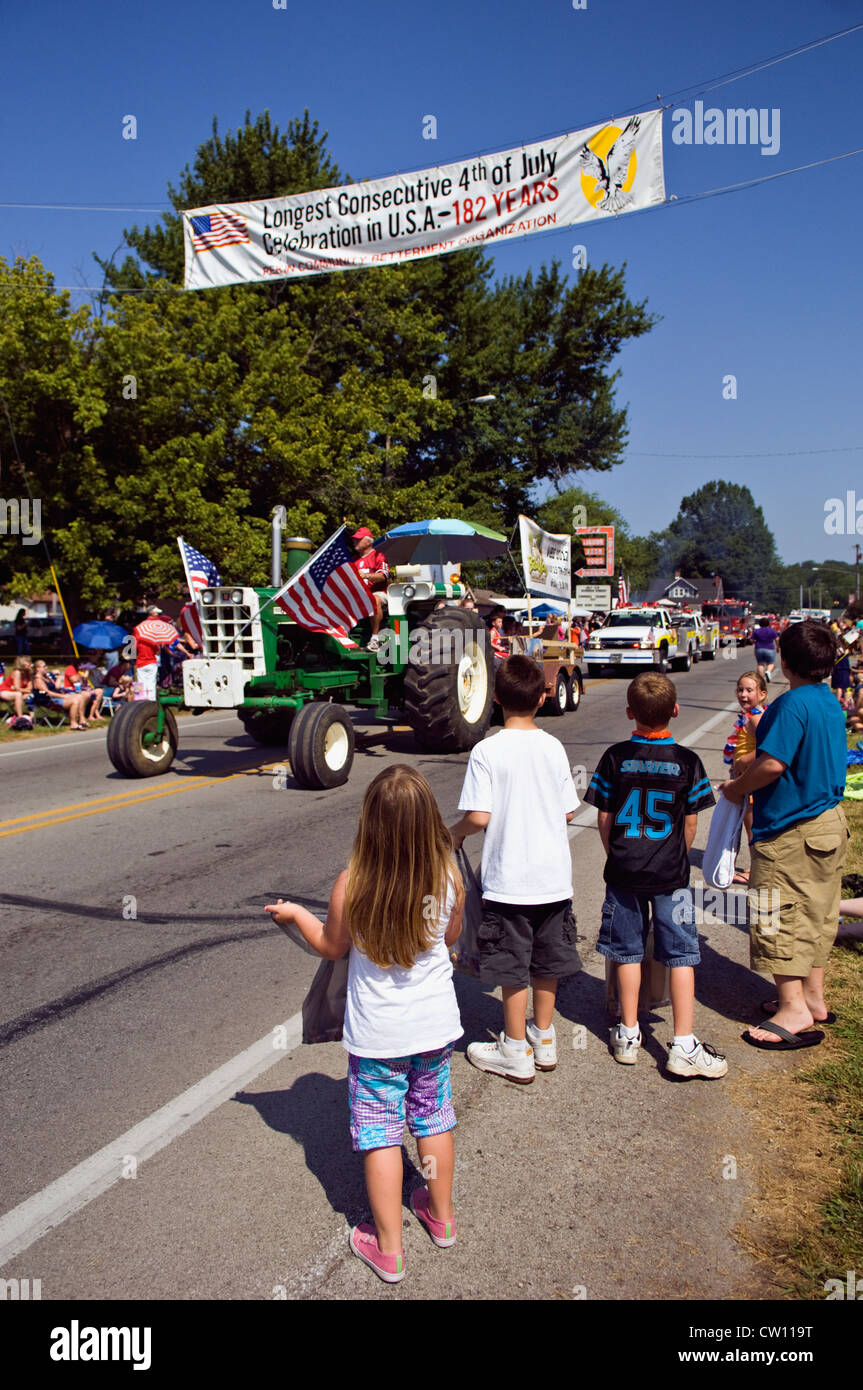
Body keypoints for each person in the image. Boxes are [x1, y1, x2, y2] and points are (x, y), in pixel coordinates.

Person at [265, 765, 464, 1285]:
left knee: (380, 1135)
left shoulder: (354, 885)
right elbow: (450, 937)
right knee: (433, 1117)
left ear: (370, 824)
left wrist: (295, 916)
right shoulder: (447, 876)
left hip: (379, 1038)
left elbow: (332, 946)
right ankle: (440, 1218)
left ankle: (390, 1249)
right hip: (435, 1029)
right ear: (429, 824)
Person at [584, 671, 727, 1078]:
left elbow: (605, 816)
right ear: (677, 711)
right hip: (671, 874)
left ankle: (628, 1032)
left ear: (630, 712)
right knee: (681, 954)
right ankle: (683, 1042)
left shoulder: (615, 757)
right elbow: (691, 824)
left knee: (626, 951)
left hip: (625, 870)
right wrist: (675, 855)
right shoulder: (688, 761)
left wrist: (617, 853)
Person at [450, 655, 581, 1083]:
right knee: (547, 962)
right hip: (553, 879)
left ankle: (513, 1047)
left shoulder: (487, 750)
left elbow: (479, 817)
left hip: (509, 883)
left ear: (495, 699)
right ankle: (543, 1038)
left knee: (510, 965)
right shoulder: (554, 747)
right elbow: (566, 812)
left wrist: (454, 834)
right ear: (543, 698)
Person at [722, 621, 848, 1049]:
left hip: (793, 828)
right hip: (829, 823)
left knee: (780, 916)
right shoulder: (828, 700)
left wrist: (737, 787)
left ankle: (792, 1008)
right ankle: (812, 998)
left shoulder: (790, 705)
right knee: (816, 915)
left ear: (786, 660)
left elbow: (773, 764)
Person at [722, 671, 768, 883]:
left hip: (752, 780)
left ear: (762, 694)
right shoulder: (748, 717)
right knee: (749, 822)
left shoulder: (756, 719)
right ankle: (756, 866)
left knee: (751, 825)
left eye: (750, 690)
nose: (743, 694)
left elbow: (766, 749)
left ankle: (755, 869)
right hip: (747, 778)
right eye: (740, 690)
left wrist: (742, 762)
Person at [349, 527, 389, 652]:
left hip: (377, 592)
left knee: (374, 599)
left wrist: (366, 575)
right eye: (354, 540)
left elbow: (383, 576)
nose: (354, 542)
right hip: (358, 595)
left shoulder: (378, 556)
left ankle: (375, 639)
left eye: (358, 540)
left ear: (368, 542)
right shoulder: (352, 559)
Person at [31, 660, 90, 729]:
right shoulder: (38, 679)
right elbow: (48, 693)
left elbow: (57, 687)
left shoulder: (46, 677)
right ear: (38, 668)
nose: (46, 668)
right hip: (49, 700)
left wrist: (58, 676)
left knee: (80, 696)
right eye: (44, 666)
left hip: (57, 696)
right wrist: (64, 696)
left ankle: (82, 719)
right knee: (75, 701)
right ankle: (73, 723)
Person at [752, 616, 779, 683]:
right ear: (768, 624)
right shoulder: (771, 631)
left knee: (760, 664)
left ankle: (761, 679)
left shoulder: (756, 631)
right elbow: (777, 639)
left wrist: (755, 642)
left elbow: (752, 640)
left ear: (760, 624)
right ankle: (768, 672)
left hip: (759, 648)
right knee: (771, 663)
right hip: (770, 648)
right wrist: (778, 647)